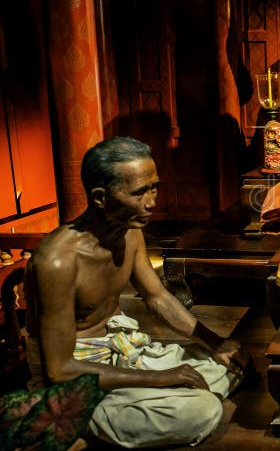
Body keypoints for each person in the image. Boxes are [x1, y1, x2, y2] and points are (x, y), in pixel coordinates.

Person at [24, 136, 249, 448]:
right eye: (140, 192)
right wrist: (162, 378)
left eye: (154, 187)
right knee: (202, 410)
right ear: (100, 197)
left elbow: (158, 297)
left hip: (126, 354)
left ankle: (139, 408)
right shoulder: (57, 262)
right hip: (77, 379)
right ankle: (79, 420)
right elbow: (60, 369)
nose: (152, 201)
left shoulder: (130, 232)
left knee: (232, 361)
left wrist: (218, 342)